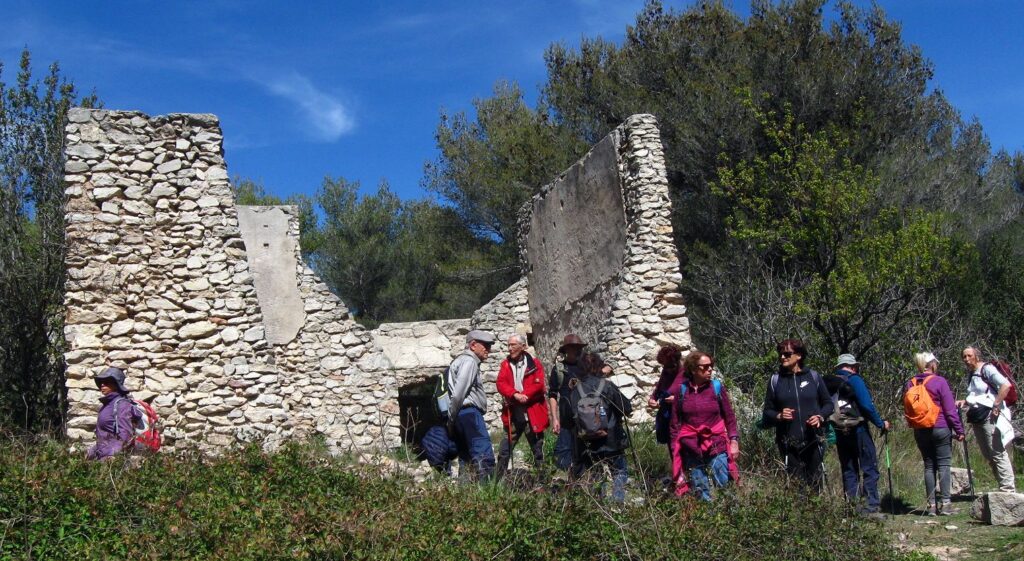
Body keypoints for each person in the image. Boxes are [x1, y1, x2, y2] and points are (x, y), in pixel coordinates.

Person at [762, 339, 833, 490]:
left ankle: (817, 513)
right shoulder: (775, 380)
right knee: (795, 487)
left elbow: (828, 404)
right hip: (788, 443)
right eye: (780, 354)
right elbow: (768, 411)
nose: (782, 357)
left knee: (815, 484)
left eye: (787, 354)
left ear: (799, 355)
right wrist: (779, 416)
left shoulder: (813, 377)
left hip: (814, 439)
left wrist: (820, 416)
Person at [825, 354, 890, 517]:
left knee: (849, 469)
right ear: (852, 366)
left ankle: (852, 508)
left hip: (840, 431)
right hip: (858, 429)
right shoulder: (854, 380)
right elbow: (867, 406)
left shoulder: (829, 383)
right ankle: (870, 507)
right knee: (869, 467)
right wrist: (880, 423)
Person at [670, 351, 740, 500]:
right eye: (705, 367)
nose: (710, 370)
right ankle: (707, 520)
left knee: (723, 485)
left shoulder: (716, 387)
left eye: (711, 366)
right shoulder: (682, 391)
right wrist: (675, 447)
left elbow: (729, 416)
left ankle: (729, 517)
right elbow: (675, 423)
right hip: (691, 447)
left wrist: (734, 440)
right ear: (693, 369)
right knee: (700, 488)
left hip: (716, 443)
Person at [567, 352, 633, 502]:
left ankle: (600, 506)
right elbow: (626, 408)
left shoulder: (576, 390)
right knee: (619, 471)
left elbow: (569, 416)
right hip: (611, 439)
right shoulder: (608, 386)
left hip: (587, 441)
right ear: (599, 366)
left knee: (595, 474)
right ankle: (618, 502)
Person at [906, 352, 965, 515]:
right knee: (944, 465)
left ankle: (931, 506)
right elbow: (950, 410)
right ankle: (946, 504)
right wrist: (959, 430)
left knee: (929, 466)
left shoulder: (911, 383)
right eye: (935, 363)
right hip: (940, 427)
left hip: (920, 429)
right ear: (931, 364)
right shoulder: (939, 381)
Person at [958, 347, 1016, 492]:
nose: (966, 359)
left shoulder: (987, 369)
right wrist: (965, 402)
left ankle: (1008, 489)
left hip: (991, 415)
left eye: (969, 356)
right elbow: (978, 395)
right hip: (978, 417)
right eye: (964, 357)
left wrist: (996, 404)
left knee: (997, 452)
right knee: (988, 455)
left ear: (976, 355)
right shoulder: (972, 373)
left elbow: (1005, 385)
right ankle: (1002, 486)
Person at [495, 333, 549, 478]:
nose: (510, 348)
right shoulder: (505, 364)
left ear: (523, 346)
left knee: (537, 450)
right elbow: (501, 383)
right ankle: (497, 482)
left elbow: (539, 384)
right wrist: (515, 394)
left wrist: (526, 395)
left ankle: (543, 481)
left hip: (532, 414)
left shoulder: (534, 363)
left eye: (513, 345)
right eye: (508, 345)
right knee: (505, 450)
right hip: (513, 414)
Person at [447, 329, 497, 481]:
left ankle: (466, 496)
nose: (489, 350)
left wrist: (452, 420)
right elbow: (458, 394)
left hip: (460, 417)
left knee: (466, 459)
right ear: (473, 345)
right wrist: (450, 419)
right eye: (486, 346)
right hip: (469, 414)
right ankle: (488, 494)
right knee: (483, 455)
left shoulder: (457, 361)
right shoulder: (469, 362)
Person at [548, 334, 587, 471]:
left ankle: (583, 483)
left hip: (586, 422)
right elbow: (553, 394)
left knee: (585, 457)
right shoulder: (559, 370)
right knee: (562, 458)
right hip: (566, 422)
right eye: (573, 348)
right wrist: (555, 418)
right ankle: (570, 482)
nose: (577, 351)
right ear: (566, 350)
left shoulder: (587, 368)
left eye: (579, 348)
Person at [87, 366, 142, 461]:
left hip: (112, 461)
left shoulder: (122, 405)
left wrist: (112, 456)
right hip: (103, 457)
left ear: (116, 385)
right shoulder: (107, 405)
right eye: (101, 382)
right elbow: (104, 436)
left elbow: (126, 435)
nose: (102, 385)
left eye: (107, 382)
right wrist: (92, 452)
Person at [649, 345, 685, 476]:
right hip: (668, 420)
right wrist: (652, 399)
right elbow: (658, 390)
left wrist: (677, 399)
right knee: (673, 449)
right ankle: (679, 482)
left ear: (676, 362)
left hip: (684, 421)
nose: (667, 369)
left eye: (670, 366)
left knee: (685, 451)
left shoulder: (687, 373)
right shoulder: (665, 372)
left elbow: (695, 395)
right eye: (664, 366)